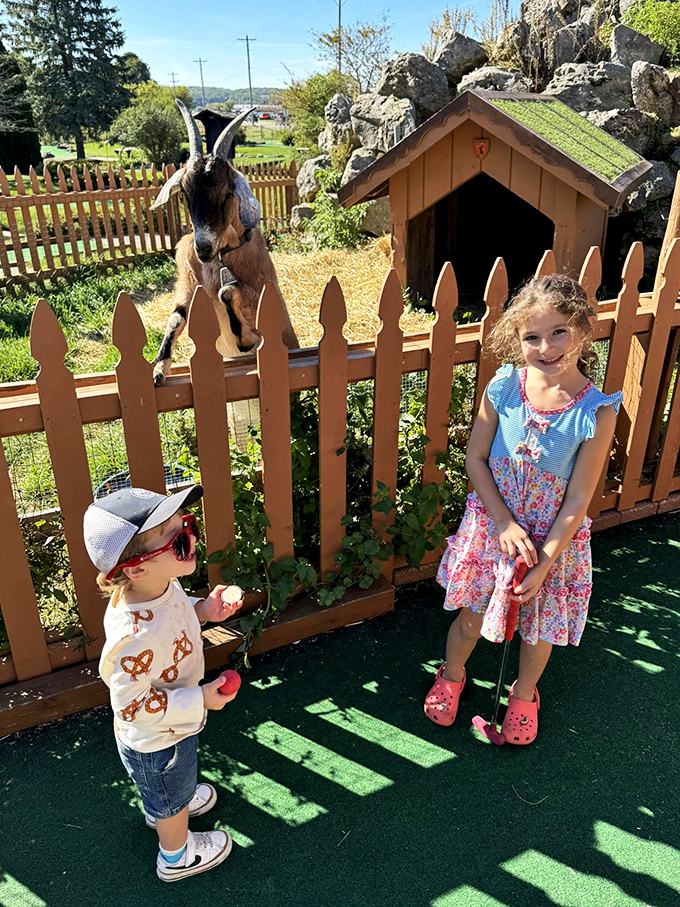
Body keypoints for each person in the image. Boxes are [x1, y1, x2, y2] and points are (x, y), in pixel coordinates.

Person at [424, 275, 622, 744]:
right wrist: (504, 522)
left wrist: (546, 560)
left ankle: (524, 694)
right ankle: (452, 674)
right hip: (494, 530)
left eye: (559, 332)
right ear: (517, 340)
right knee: (470, 616)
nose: (546, 347)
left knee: (537, 632)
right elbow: (475, 459)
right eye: (531, 336)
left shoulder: (596, 412)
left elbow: (577, 499)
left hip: (549, 544)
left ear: (584, 329)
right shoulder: (502, 387)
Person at [83, 484, 244, 881]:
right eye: (179, 542)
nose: (191, 539)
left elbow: (172, 611)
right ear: (136, 568)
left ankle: (171, 800)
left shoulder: (156, 586)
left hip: (169, 726)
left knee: (173, 785)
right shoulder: (132, 638)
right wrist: (201, 698)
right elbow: (132, 706)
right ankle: (176, 855)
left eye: (187, 527)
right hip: (156, 739)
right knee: (170, 793)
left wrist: (203, 609)